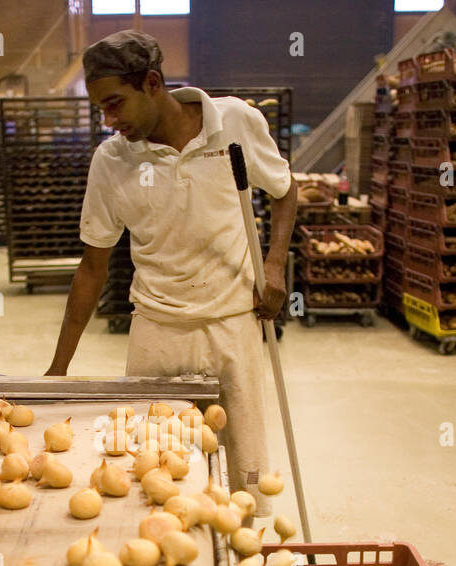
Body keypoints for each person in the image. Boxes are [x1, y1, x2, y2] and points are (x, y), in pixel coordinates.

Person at [43, 29, 297, 513]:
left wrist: (275, 264)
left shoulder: (235, 123)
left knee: (244, 481)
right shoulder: (112, 161)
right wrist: (60, 368)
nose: (108, 120)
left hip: (231, 324)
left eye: (115, 104)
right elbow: (93, 267)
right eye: (100, 108)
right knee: (155, 480)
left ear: (153, 83)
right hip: (156, 331)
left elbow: (284, 191)